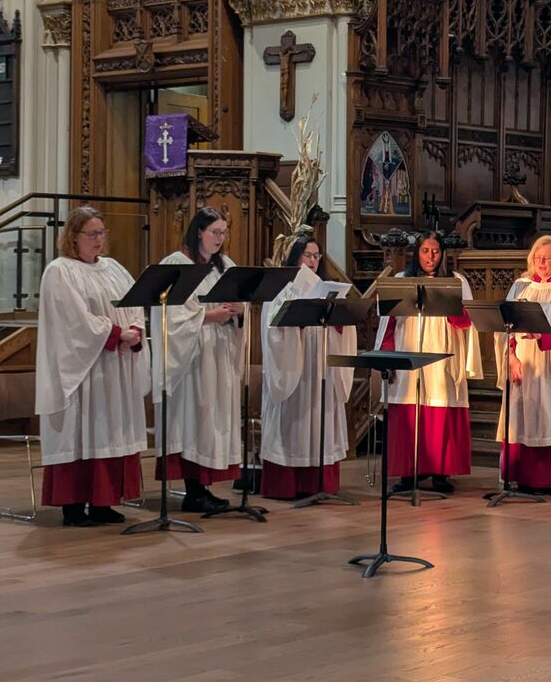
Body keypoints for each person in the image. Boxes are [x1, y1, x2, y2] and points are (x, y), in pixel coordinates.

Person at [35, 207, 148, 527]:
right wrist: (115, 334)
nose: (99, 240)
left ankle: (103, 502)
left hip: (115, 367)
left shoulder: (113, 268)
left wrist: (136, 331)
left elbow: (135, 303)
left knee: (110, 431)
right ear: (73, 237)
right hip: (84, 372)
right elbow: (72, 321)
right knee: (83, 429)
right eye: (92, 234)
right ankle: (73, 506)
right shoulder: (59, 271)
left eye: (102, 233)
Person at [152, 207, 244, 515]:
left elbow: (239, 303)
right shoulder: (177, 264)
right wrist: (208, 316)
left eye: (223, 232)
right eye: (214, 232)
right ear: (198, 232)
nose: (220, 238)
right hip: (191, 358)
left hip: (219, 354)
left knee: (213, 418)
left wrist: (241, 312)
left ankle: (204, 488)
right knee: (195, 417)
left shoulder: (225, 266)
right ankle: (193, 489)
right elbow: (170, 316)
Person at [375, 231, 481, 495]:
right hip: (408, 349)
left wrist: (451, 309)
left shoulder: (455, 281)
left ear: (442, 254)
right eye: (425, 251)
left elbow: (468, 321)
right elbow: (388, 321)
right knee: (409, 410)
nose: (430, 256)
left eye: (435, 251)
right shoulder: (402, 280)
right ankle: (408, 473)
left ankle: (440, 472)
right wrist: (387, 355)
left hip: (442, 354)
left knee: (440, 408)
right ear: (416, 253)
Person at [260, 235, 358, 501]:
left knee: (320, 415)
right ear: (296, 257)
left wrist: (340, 322)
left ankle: (318, 483)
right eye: (308, 256)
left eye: (317, 256)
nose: (313, 261)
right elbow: (273, 330)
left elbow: (343, 327)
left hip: (321, 365)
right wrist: (297, 323)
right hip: (295, 368)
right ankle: (289, 484)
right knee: (296, 419)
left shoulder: (326, 287)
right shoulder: (283, 288)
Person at [496, 235, 551, 494]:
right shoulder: (520, 286)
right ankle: (519, 476)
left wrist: (544, 336)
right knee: (521, 417)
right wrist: (510, 357)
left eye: (547, 258)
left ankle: (546, 479)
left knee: (549, 416)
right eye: (537, 257)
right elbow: (505, 327)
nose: (541, 262)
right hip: (523, 363)